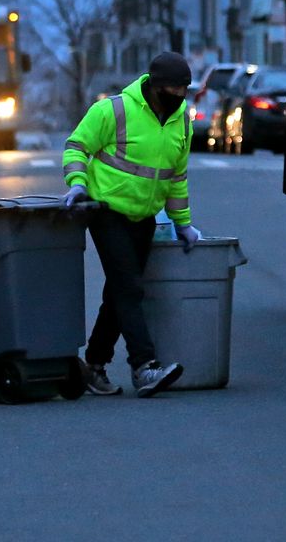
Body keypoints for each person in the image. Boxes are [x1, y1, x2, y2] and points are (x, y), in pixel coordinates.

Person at [61, 51, 203, 397]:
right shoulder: (113, 110)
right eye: (173, 91)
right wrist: (77, 184)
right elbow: (76, 147)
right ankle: (144, 367)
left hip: (145, 216)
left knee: (118, 293)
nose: (179, 98)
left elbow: (176, 177)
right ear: (153, 87)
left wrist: (183, 223)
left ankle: (93, 366)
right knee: (129, 288)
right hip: (106, 210)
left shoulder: (182, 121)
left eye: (184, 91)